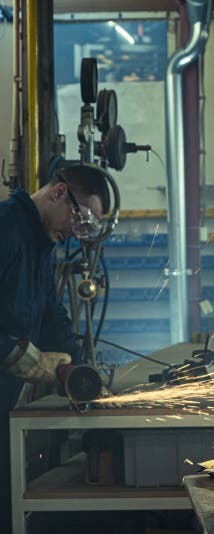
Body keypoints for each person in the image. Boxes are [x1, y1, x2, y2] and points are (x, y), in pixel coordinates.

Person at [0, 163, 110, 529]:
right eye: (78, 220)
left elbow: (50, 314)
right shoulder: (6, 227)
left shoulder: (39, 243)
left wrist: (79, 372)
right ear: (59, 193)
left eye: (86, 229)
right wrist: (14, 353)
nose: (75, 234)